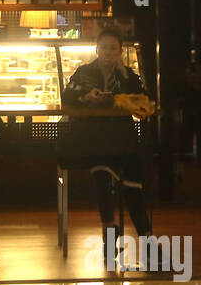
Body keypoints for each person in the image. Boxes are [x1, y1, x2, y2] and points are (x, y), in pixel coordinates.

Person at [60, 28, 154, 240]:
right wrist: (86, 97)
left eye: (113, 48)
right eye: (104, 47)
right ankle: (109, 229)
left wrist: (122, 74)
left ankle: (145, 235)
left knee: (133, 182)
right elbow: (67, 97)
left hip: (123, 139)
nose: (108, 52)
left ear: (120, 52)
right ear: (96, 49)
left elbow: (143, 99)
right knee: (102, 170)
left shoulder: (128, 75)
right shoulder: (84, 73)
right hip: (92, 138)